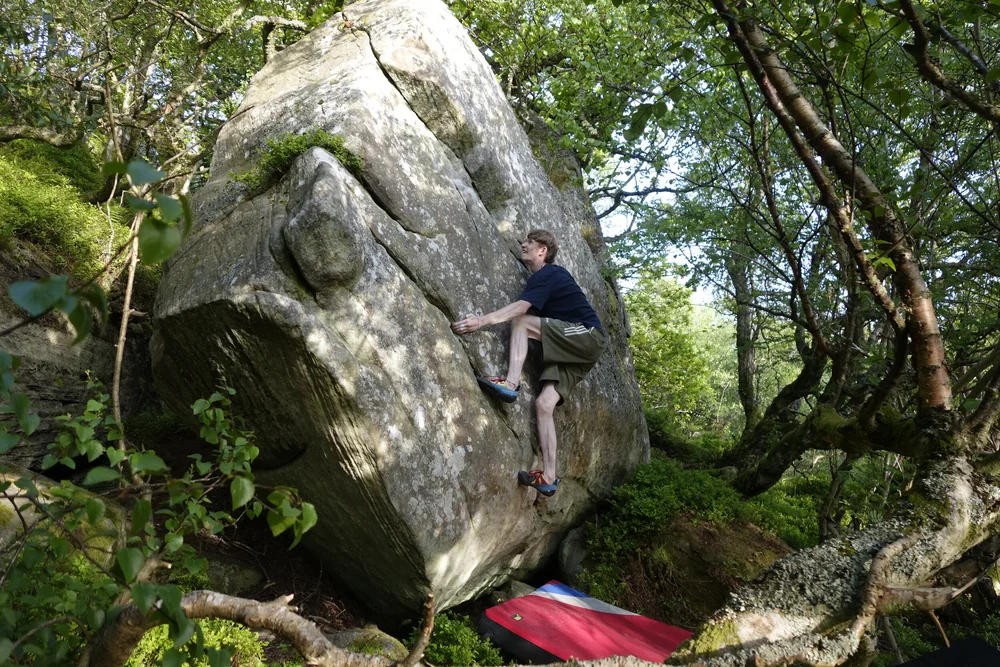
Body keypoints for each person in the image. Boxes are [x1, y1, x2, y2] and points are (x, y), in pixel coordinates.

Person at [451, 230, 606, 497]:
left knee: (522, 322)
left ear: (542, 251)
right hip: (576, 349)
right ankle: (548, 475)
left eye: (530, 243)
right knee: (544, 404)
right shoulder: (541, 281)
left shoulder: (550, 274)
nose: (523, 245)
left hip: (586, 335)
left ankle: (510, 383)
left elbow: (521, 310)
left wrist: (481, 321)